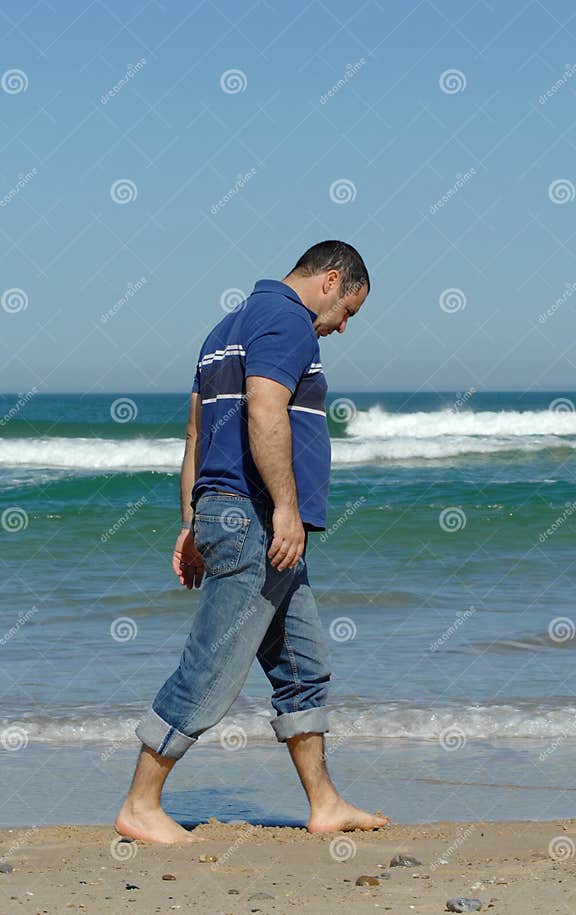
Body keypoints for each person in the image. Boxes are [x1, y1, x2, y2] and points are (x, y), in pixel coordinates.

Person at [115, 240, 390, 844]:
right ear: (331, 280)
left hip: (232, 515)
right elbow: (265, 410)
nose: (342, 327)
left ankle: (324, 803)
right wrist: (286, 509)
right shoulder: (288, 322)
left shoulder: (225, 329)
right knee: (211, 666)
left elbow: (196, 433)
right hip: (255, 521)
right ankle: (140, 803)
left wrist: (191, 522)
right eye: (348, 311)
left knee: (303, 667)